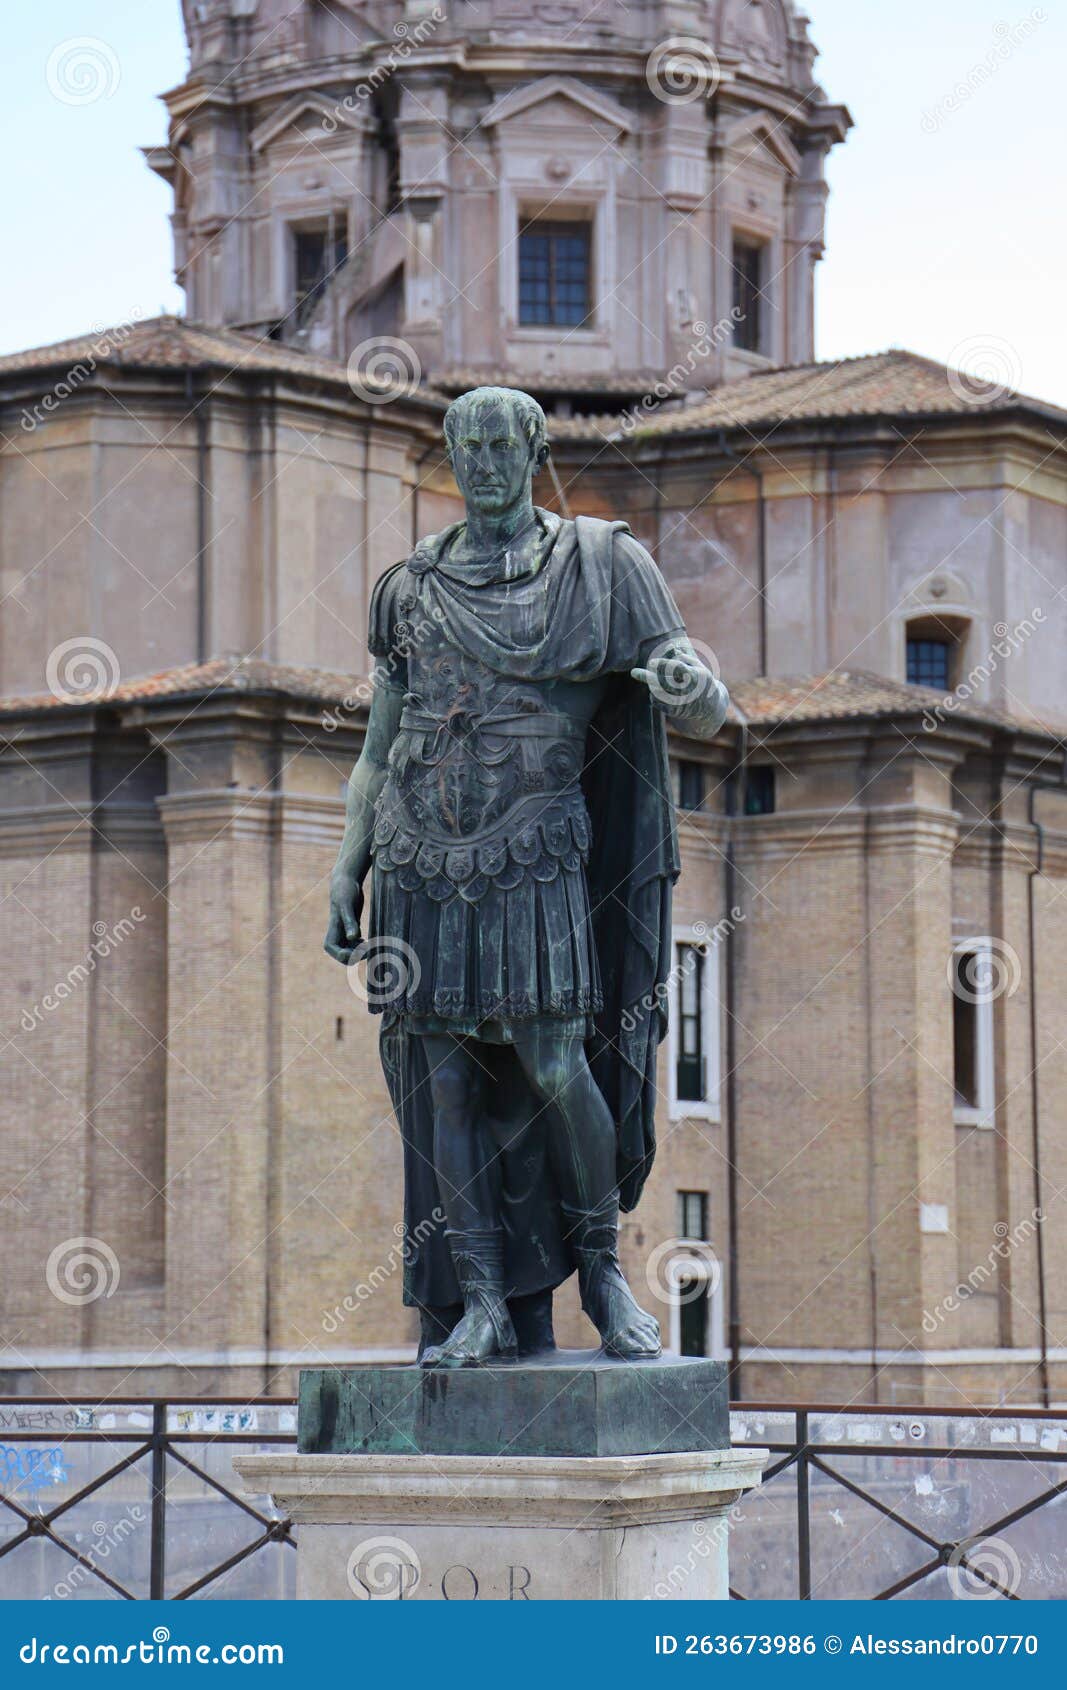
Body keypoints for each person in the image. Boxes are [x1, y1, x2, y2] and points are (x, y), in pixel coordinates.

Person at [325, 386, 728, 1366]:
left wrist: (689, 686)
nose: (485, 461)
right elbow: (379, 745)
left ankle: (600, 1273)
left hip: (537, 850)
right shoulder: (409, 588)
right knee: (447, 1083)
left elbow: (703, 700)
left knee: (556, 1064)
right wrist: (348, 863)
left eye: (503, 442)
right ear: (450, 456)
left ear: (534, 448)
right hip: (418, 858)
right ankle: (478, 1302)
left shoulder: (602, 566)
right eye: (466, 445)